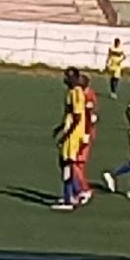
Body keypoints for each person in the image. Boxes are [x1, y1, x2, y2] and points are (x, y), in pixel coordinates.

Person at [51, 67, 86, 212]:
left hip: (73, 135)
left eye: (68, 76)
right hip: (70, 132)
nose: (65, 79)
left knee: (67, 165)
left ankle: (69, 198)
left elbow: (77, 117)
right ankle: (75, 192)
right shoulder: (71, 92)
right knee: (64, 163)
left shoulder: (77, 93)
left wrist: (66, 135)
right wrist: (60, 128)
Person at [74, 73, 99, 205]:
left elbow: (90, 117)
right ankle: (79, 190)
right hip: (80, 131)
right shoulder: (80, 94)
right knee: (77, 164)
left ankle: (84, 189)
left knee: (76, 163)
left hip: (85, 133)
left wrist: (87, 133)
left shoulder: (89, 96)